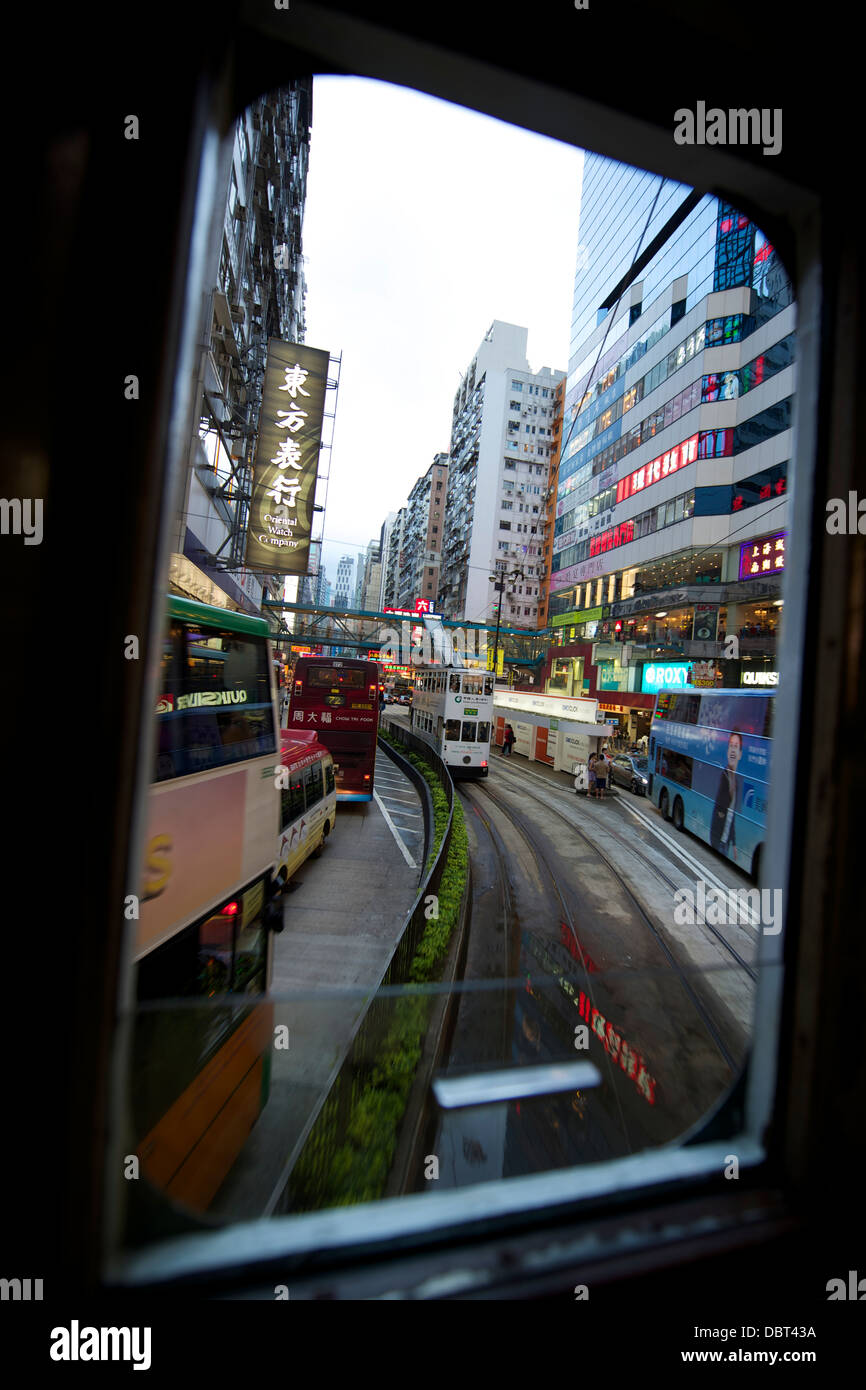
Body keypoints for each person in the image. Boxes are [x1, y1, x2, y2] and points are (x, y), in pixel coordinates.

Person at [710, 728, 742, 861]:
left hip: (726, 840)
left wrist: (734, 843)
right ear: (727, 751)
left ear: (740, 754)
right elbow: (720, 808)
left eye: (736, 746)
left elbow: (731, 814)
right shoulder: (724, 775)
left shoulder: (737, 782)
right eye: (730, 746)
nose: (733, 750)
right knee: (705, 879)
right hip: (718, 837)